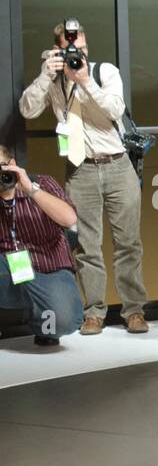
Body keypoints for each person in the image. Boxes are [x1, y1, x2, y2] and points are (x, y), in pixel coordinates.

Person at [18, 17, 149, 335]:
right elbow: (27, 109)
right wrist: (44, 75)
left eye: (83, 49)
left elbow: (115, 110)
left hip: (118, 166)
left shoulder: (105, 72)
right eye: (71, 50)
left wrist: (86, 80)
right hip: (81, 169)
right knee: (87, 246)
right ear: (57, 51)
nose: (79, 55)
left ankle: (134, 311)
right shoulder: (52, 81)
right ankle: (94, 313)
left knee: (128, 244)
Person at [0, 144, 84, 346]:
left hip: (48, 267)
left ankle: (43, 326)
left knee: (64, 321)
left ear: (12, 164)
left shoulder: (43, 182)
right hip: (7, 267)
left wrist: (30, 189)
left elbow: (69, 219)